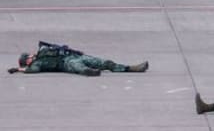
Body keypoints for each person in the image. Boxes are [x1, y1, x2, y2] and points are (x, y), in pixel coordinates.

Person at [8, 41, 148, 76]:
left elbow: (59, 48)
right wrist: (19, 70)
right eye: (28, 57)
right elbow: (33, 70)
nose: (31, 56)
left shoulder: (43, 50)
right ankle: (89, 72)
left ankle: (131, 68)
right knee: (77, 66)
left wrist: (63, 48)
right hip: (66, 63)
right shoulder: (37, 64)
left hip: (73, 55)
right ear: (27, 61)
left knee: (102, 62)